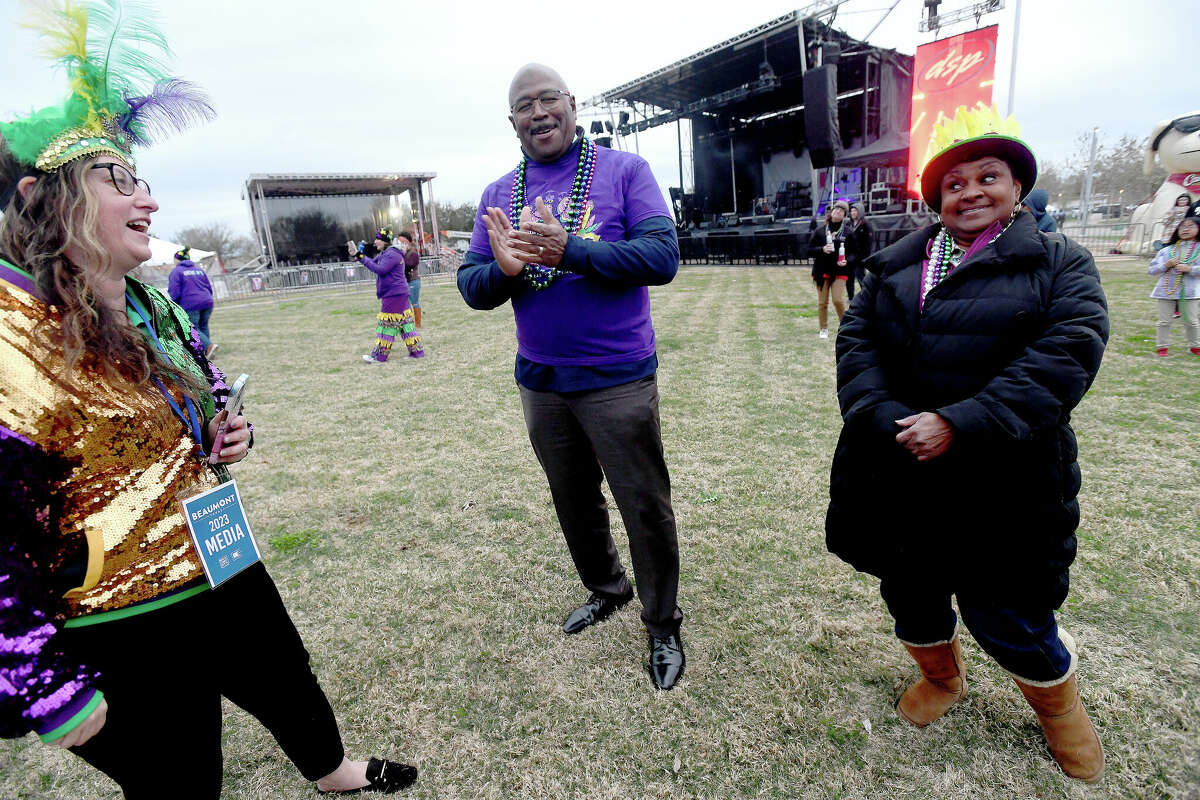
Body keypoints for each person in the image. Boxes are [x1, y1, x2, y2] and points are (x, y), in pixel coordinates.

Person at [0, 5, 416, 796]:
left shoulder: (148, 304)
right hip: (125, 612)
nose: (147, 199)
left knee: (284, 672)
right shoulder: (11, 341)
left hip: (216, 549)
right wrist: (42, 684)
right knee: (184, 775)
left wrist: (226, 428)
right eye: (117, 179)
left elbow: (204, 387)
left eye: (142, 178)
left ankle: (332, 771)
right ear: (43, 196)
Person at [824, 104, 1109, 783]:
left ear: (1017, 189)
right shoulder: (898, 264)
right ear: (936, 198)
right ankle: (942, 679)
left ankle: (1059, 712)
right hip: (899, 467)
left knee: (1008, 611)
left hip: (1004, 478)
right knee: (912, 592)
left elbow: (1068, 354)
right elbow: (856, 344)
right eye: (955, 183)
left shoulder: (1059, 263)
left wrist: (962, 421)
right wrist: (889, 418)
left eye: (990, 176)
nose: (971, 191)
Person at [456, 63, 685, 690]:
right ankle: (607, 588)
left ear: (572, 105)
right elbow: (472, 287)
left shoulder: (625, 172)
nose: (538, 113)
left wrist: (571, 251)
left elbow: (661, 257)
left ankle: (662, 622)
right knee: (573, 498)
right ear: (513, 122)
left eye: (548, 98)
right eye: (524, 105)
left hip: (617, 376)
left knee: (643, 502)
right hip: (543, 382)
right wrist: (502, 270)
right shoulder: (499, 193)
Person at [348, 227, 423, 363]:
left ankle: (380, 356)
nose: (375, 242)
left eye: (377, 239)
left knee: (386, 324)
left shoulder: (392, 254)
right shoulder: (387, 253)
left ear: (385, 241)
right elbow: (372, 262)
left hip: (394, 295)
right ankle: (417, 351)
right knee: (405, 324)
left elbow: (379, 269)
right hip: (398, 294)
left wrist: (360, 256)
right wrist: (357, 254)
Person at [1147, 216, 1200, 356]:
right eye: (1183, 227)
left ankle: (1195, 346)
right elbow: (1151, 270)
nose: (1186, 229)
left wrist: (1190, 269)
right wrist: (1166, 265)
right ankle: (1162, 347)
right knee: (1164, 321)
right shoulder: (1166, 250)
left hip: (1190, 292)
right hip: (1166, 291)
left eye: (1190, 226)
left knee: (1191, 321)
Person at [808, 200, 858, 339]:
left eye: (841, 211)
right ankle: (823, 328)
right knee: (822, 302)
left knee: (838, 300)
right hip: (821, 271)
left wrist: (848, 260)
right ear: (831, 212)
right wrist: (822, 249)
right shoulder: (820, 231)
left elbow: (855, 253)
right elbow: (809, 250)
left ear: (844, 216)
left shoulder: (848, 232)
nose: (838, 212)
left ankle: (845, 326)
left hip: (840, 272)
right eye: (836, 210)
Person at [168, 244, 217, 357]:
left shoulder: (177, 271)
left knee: (191, 327)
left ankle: (208, 347)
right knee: (203, 326)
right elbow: (208, 286)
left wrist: (174, 303)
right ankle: (207, 352)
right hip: (207, 301)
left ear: (177, 259)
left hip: (190, 304)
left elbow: (174, 290)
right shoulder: (199, 270)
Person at [845, 203, 872, 303]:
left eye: (855, 211)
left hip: (860, 258)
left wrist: (863, 257)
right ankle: (850, 297)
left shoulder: (866, 225)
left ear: (860, 211)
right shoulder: (848, 225)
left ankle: (866, 297)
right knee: (849, 279)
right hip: (849, 257)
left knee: (861, 278)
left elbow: (868, 243)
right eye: (852, 211)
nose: (853, 213)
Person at [398, 231, 422, 329]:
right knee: (405, 303)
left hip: (413, 280)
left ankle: (418, 324)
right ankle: (408, 323)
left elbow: (409, 265)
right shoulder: (400, 253)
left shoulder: (414, 253)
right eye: (400, 242)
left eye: (404, 242)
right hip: (404, 281)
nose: (402, 245)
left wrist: (402, 255)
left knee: (414, 302)